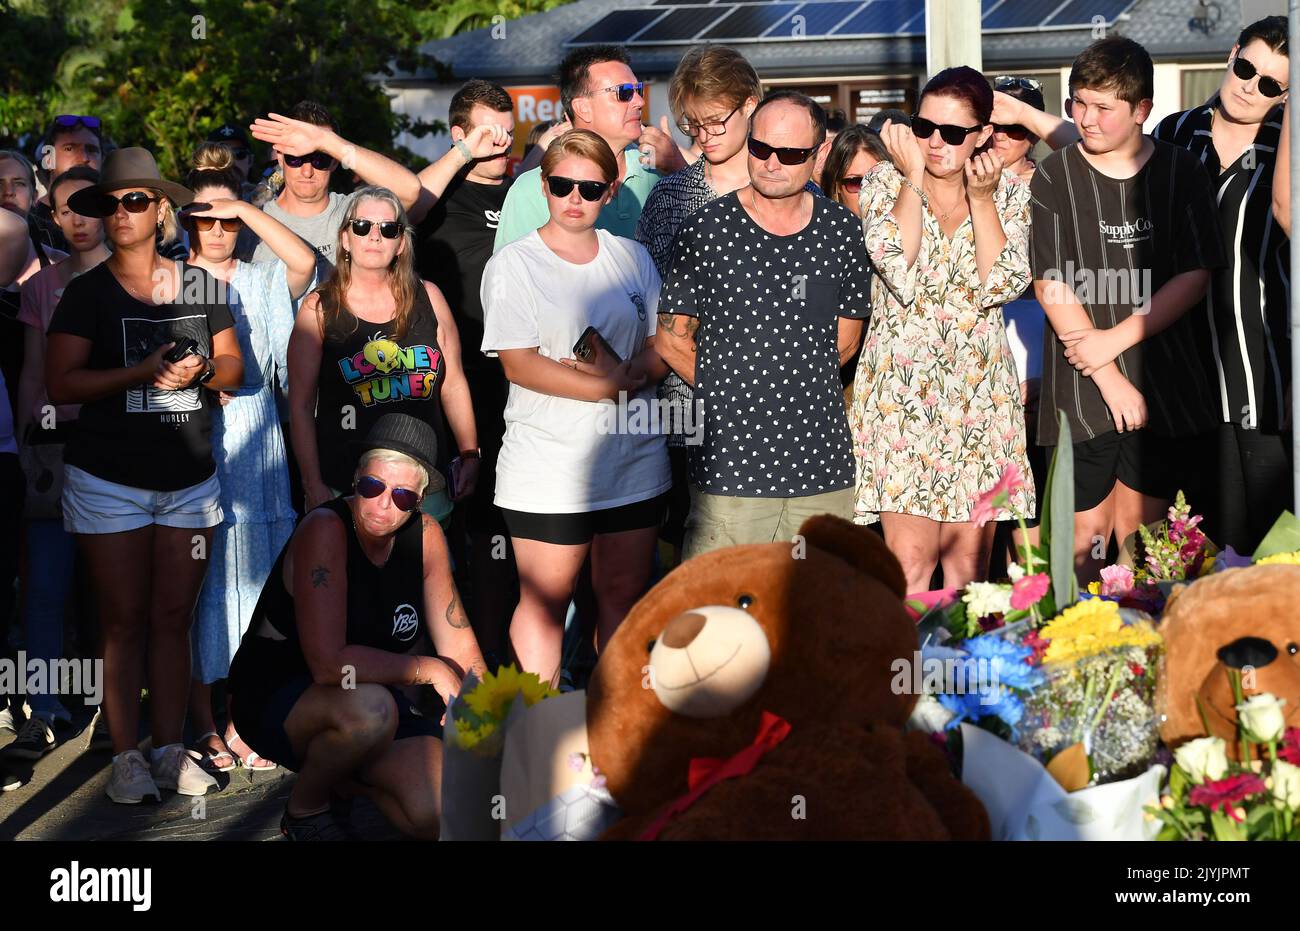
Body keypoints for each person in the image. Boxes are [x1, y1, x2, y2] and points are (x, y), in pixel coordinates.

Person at [44, 147, 245, 802]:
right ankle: (126, 756)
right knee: (123, 619)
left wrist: (202, 373)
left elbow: (235, 371)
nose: (120, 214)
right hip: (108, 481)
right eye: (109, 203)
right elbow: (60, 382)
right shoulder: (86, 292)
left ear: (161, 208)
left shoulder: (199, 285)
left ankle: (166, 747)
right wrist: (142, 370)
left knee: (173, 616)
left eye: (135, 200)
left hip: (189, 479)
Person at [227, 413, 486, 840]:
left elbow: (460, 646)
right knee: (371, 712)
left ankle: (347, 778)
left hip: (376, 696)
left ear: (420, 500)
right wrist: (431, 669)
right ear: (354, 480)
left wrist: (484, 716)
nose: (384, 504)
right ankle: (306, 809)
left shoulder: (427, 536)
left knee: (448, 815)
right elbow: (330, 667)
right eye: (372, 487)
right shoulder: (326, 529)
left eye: (402, 496)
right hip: (281, 693)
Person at [1028, 37, 1225, 581]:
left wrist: (1114, 342)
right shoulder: (1055, 175)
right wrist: (1109, 375)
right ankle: (1078, 657)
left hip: (1166, 386)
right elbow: (1051, 283)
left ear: (1141, 111)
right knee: (1080, 554)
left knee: (1151, 555)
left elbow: (1195, 276)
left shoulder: (1183, 173)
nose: (1085, 119)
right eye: (1077, 103)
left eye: (1102, 107)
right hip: (1081, 388)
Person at [480, 129, 669, 681]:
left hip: (633, 458)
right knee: (545, 601)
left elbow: (665, 343)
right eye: (562, 185)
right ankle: (536, 735)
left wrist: (633, 374)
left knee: (622, 595)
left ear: (611, 192)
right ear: (543, 186)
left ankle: (613, 728)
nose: (575, 198)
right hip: (547, 463)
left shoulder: (632, 257)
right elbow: (517, 362)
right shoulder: (515, 264)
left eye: (590, 188)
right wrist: (610, 387)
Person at [655, 91, 871, 560]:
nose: (772, 163)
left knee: (818, 611)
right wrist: (732, 396)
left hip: (822, 464)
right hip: (729, 467)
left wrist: (790, 388)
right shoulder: (705, 230)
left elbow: (847, 339)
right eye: (760, 148)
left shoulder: (842, 232)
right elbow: (671, 340)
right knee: (723, 613)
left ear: (818, 155)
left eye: (791, 154)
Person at [850, 68, 1034, 593]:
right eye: (923, 127)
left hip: (981, 403)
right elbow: (897, 267)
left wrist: (982, 200)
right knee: (909, 570)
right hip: (899, 405)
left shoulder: (1013, 194)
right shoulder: (886, 182)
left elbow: (1002, 281)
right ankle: (907, 676)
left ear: (981, 135)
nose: (935, 142)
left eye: (953, 133)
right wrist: (910, 179)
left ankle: (964, 678)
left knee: (969, 577)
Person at [179, 145, 316, 774]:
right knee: (204, 581)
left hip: (258, 430)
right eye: (204, 218)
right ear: (185, 222)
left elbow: (305, 260)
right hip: (192, 433)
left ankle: (248, 717)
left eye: (226, 219)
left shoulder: (263, 277)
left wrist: (246, 207)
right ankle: (204, 722)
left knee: (258, 577)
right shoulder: (168, 278)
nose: (216, 230)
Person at [1152, 16, 1291, 554]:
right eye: (1246, 67)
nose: (1249, 87)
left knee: (1265, 546)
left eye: (1271, 85)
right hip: (1182, 377)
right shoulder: (1175, 132)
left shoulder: (1288, 146)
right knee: (1191, 546)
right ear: (1232, 53)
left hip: (1264, 373)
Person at [635, 45, 767, 562]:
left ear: (750, 104)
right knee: (696, 561)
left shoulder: (791, 189)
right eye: (693, 126)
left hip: (778, 406)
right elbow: (647, 306)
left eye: (715, 121)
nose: (703, 136)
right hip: (689, 411)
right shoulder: (671, 198)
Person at [287, 186, 479, 527]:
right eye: (362, 226)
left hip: (424, 481)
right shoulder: (318, 308)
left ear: (401, 243)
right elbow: (301, 404)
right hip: (346, 482)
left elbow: (453, 384)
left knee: (426, 575)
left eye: (388, 229)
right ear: (345, 238)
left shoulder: (429, 297)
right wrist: (312, 483)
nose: (374, 237)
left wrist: (469, 454)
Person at [6, 167, 110, 758]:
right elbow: (30, 370)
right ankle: (44, 707)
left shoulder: (137, 282)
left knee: (111, 589)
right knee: (45, 586)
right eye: (65, 210)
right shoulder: (40, 289)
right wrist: (26, 444)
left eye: (87, 207)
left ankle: (111, 709)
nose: (76, 220)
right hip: (52, 452)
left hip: (117, 453)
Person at [414, 80, 518, 664]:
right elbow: (399, 206)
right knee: (465, 542)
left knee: (519, 539)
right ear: (458, 135)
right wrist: (464, 154)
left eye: (508, 131)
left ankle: (516, 674)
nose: (501, 142)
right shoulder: (436, 202)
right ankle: (458, 677)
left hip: (529, 389)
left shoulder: (536, 189)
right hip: (459, 393)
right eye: (486, 132)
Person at [493, 45, 682, 251]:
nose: (639, 101)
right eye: (624, 92)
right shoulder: (531, 190)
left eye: (638, 89)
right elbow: (510, 275)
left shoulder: (661, 170)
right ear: (583, 108)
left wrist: (678, 167)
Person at [248, 101, 428, 275]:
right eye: (295, 158)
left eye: (321, 158)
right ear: (280, 158)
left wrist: (326, 141)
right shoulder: (249, 218)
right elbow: (220, 293)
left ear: (334, 161)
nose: (307, 171)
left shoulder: (353, 213)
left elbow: (409, 190)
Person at [987, 76, 1049, 559]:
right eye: (991, 125)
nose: (999, 137)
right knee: (992, 496)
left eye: (1012, 127)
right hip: (981, 345)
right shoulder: (961, 180)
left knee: (1036, 493)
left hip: (1039, 337)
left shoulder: (1054, 183)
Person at [29, 115, 105, 251]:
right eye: (70, 148)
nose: (84, 158)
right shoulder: (28, 225)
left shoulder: (116, 217)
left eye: (92, 150)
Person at [820, 125, 893, 217]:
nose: (868, 192)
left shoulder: (907, 228)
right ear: (836, 185)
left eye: (878, 179)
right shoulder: (821, 228)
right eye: (856, 182)